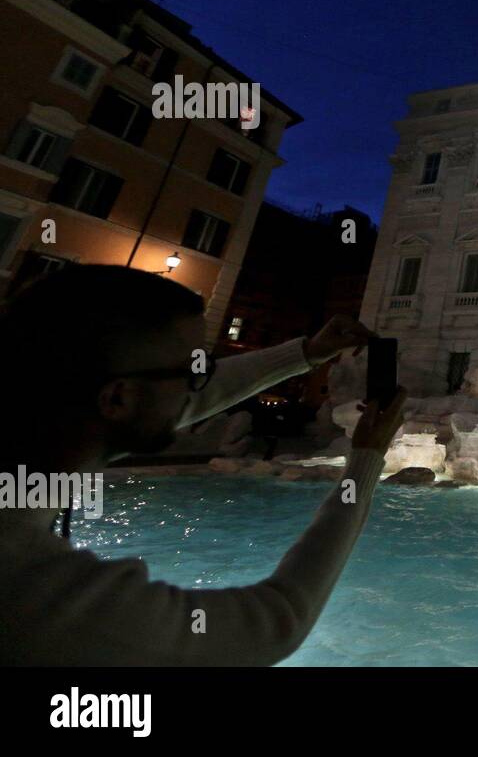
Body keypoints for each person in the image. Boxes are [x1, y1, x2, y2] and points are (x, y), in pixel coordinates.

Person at [0, 265, 406, 666]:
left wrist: (306, 353)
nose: (197, 386)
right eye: (192, 371)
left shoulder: (33, 450)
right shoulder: (36, 592)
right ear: (119, 399)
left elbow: (178, 399)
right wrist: (365, 460)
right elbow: (276, 620)